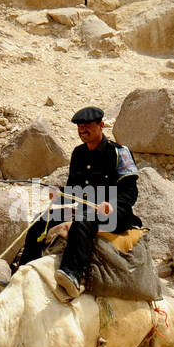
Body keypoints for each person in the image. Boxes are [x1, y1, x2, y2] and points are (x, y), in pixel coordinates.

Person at [18, 106, 142, 301]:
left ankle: (73, 274)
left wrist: (111, 206)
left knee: (83, 222)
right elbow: (75, 190)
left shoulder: (120, 153)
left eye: (87, 126)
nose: (82, 131)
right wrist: (61, 195)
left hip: (114, 214)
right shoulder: (78, 154)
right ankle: (22, 274)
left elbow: (130, 191)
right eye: (79, 127)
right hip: (83, 209)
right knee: (39, 222)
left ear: (101, 125)